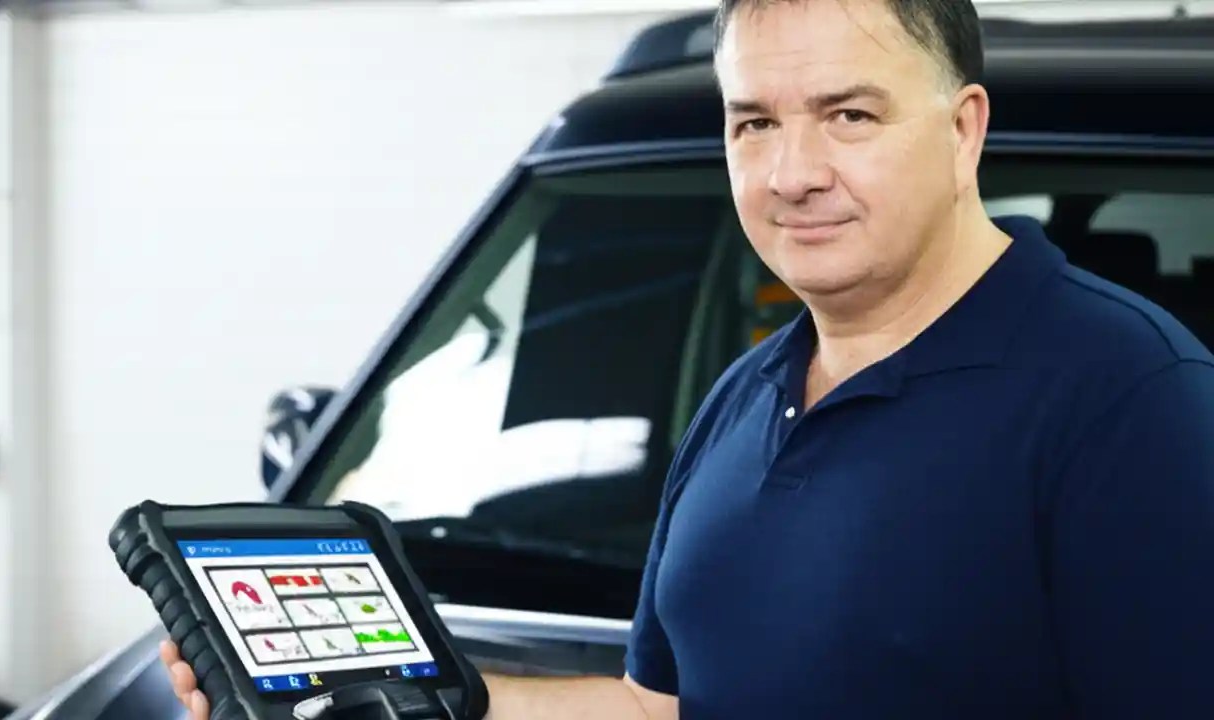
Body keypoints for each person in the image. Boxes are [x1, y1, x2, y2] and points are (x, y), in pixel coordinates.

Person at [163, 0, 1214, 717]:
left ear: (962, 128)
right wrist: (386, 697)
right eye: (753, 122)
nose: (791, 172)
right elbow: (662, 704)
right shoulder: (746, 394)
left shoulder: (1126, 398)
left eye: (847, 115)